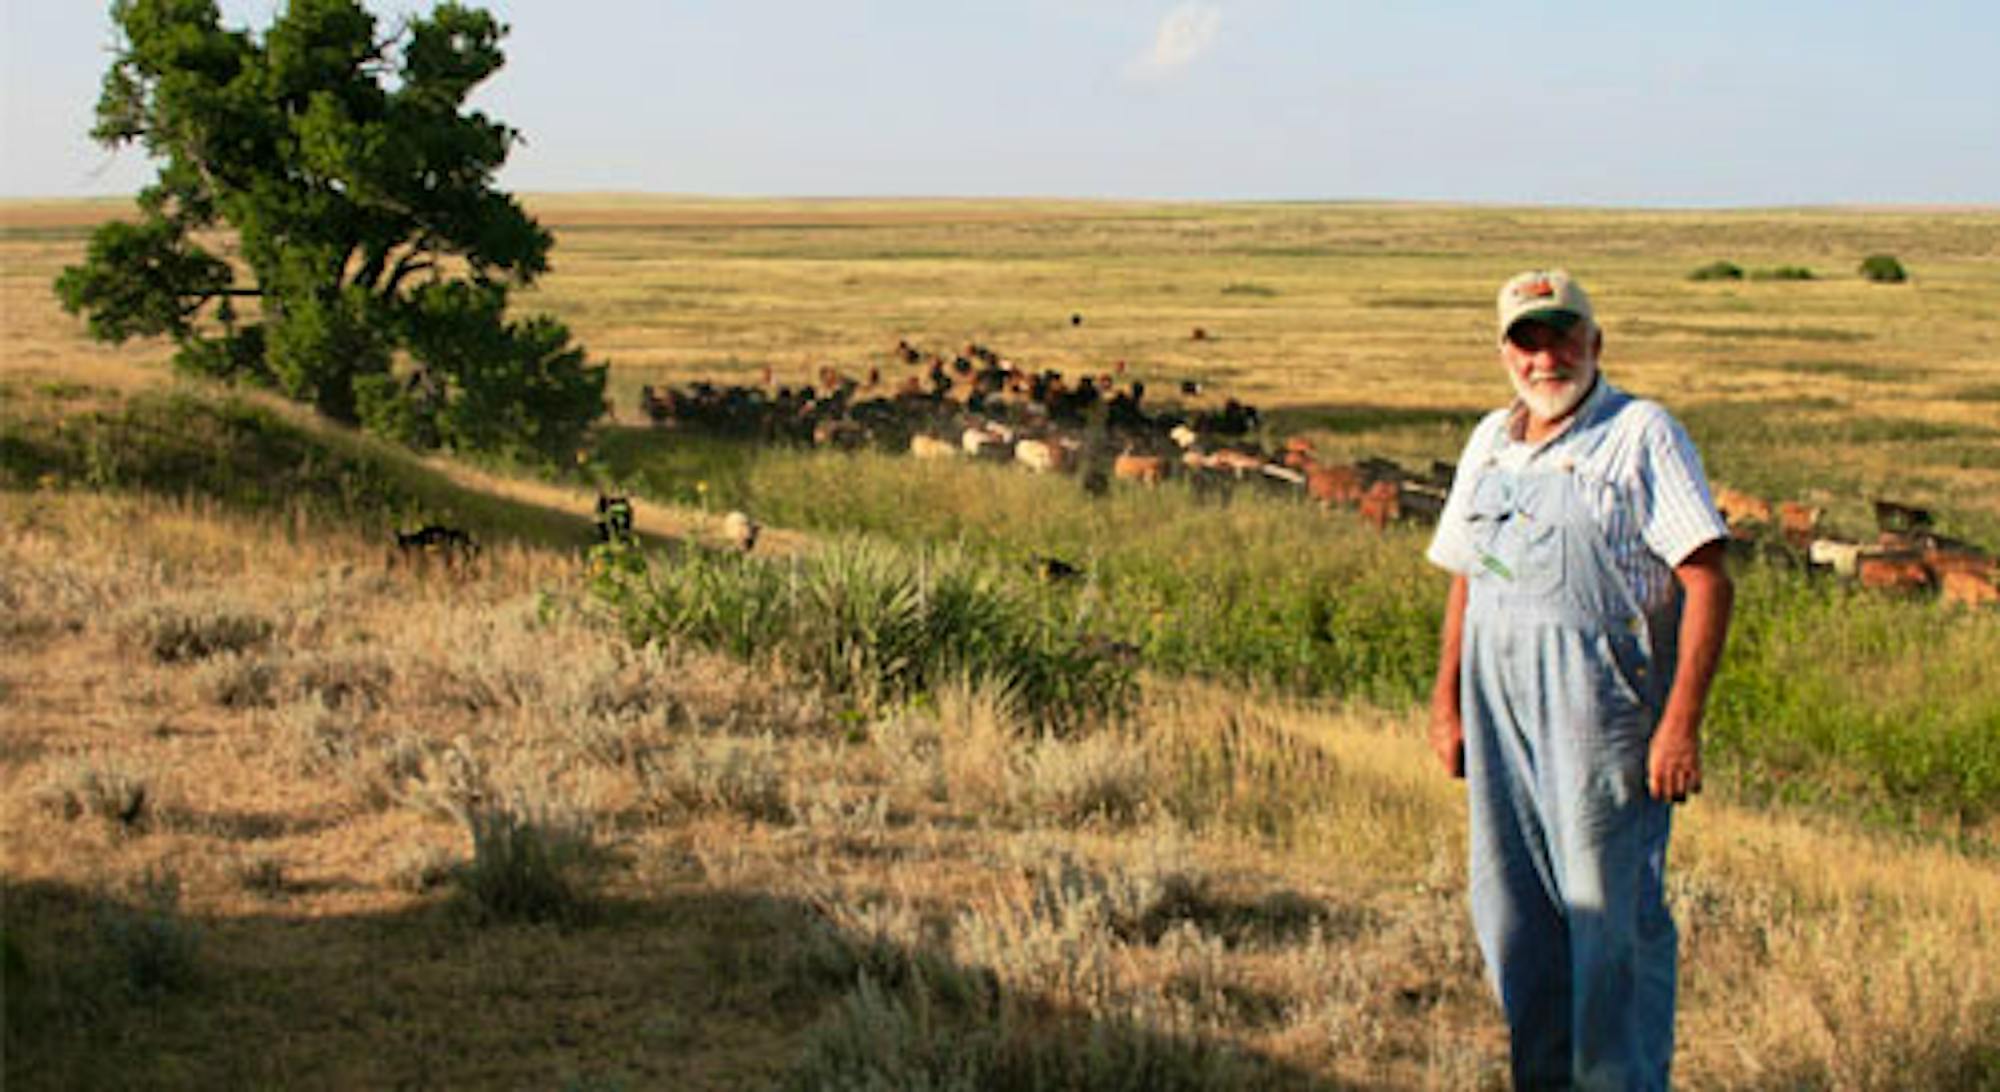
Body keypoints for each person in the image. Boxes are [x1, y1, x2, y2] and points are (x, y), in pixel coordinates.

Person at [1425, 270, 1734, 1090]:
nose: (1545, 357)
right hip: (1499, 719)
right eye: (1527, 340)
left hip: (1600, 721)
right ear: (1504, 353)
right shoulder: (1490, 439)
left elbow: (1707, 579)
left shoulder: (1641, 434)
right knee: (1513, 917)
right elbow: (1467, 573)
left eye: (1563, 336)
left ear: (1596, 343)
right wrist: (1445, 701)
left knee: (1610, 926)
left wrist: (1678, 725)